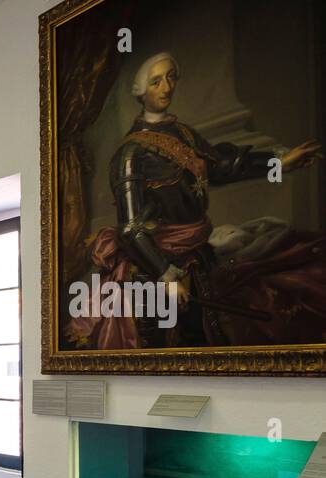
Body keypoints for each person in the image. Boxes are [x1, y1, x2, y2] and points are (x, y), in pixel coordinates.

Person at [72, 51, 323, 350]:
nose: (166, 87)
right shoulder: (130, 155)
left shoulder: (184, 134)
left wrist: (279, 163)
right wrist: (166, 275)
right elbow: (131, 228)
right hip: (156, 267)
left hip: (198, 255)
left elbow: (221, 167)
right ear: (141, 92)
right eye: (156, 82)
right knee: (177, 345)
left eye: (170, 78)